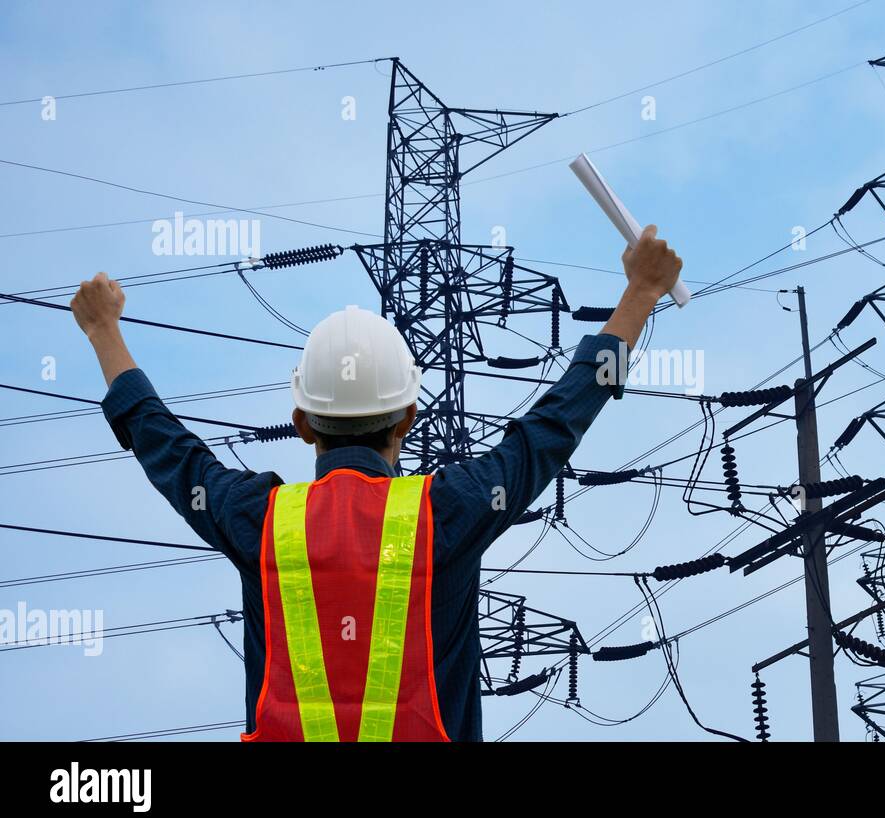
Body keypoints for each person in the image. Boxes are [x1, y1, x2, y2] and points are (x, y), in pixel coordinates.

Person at [70, 226, 683, 741]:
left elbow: (167, 449)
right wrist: (641, 293)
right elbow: (555, 424)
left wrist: (104, 331)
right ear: (410, 420)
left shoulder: (259, 520)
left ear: (303, 424)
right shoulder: (449, 511)